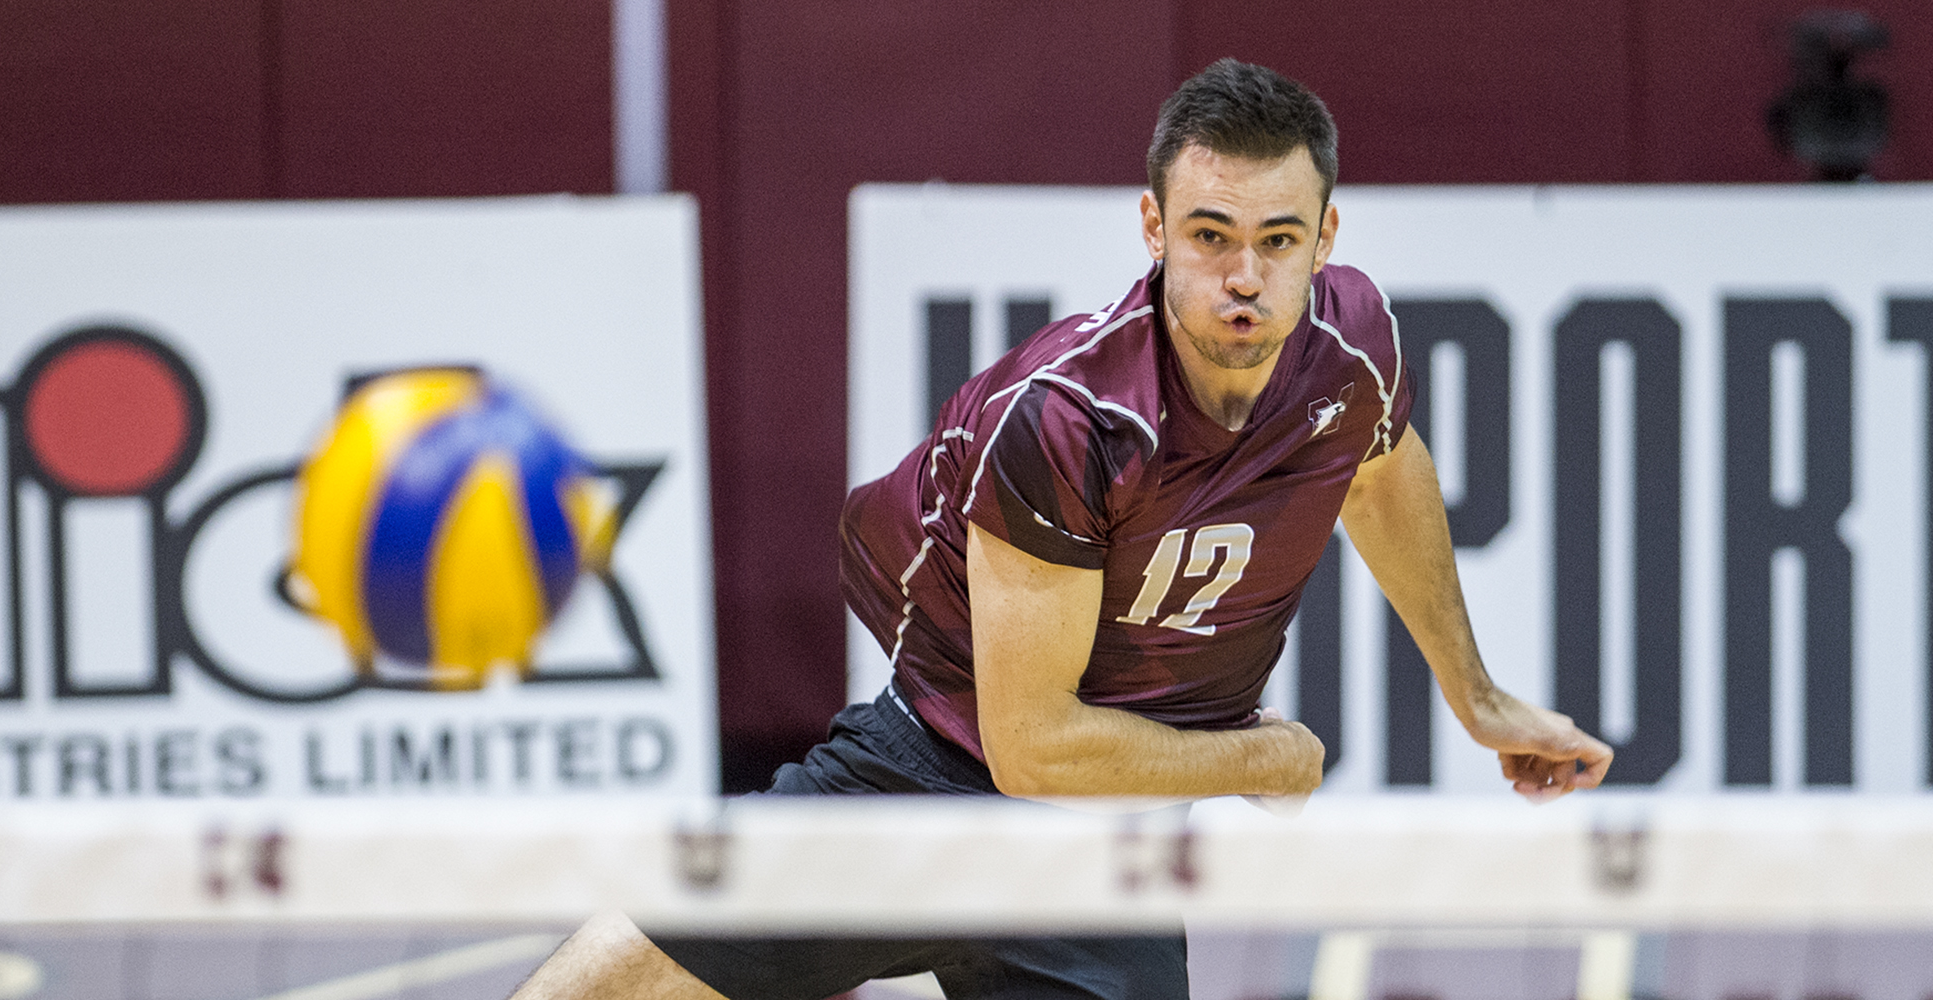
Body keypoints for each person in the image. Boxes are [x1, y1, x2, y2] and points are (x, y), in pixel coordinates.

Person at [511, 57, 1613, 1000]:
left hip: (1098, 838)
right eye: (1209, 235)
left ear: (1325, 236)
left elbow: (1375, 471)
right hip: (939, 769)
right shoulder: (1068, 417)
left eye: (1277, 240)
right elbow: (1031, 746)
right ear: (1153, 227)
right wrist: (1260, 758)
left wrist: (1475, 696)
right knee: (631, 970)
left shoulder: (1352, 342)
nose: (1243, 277)